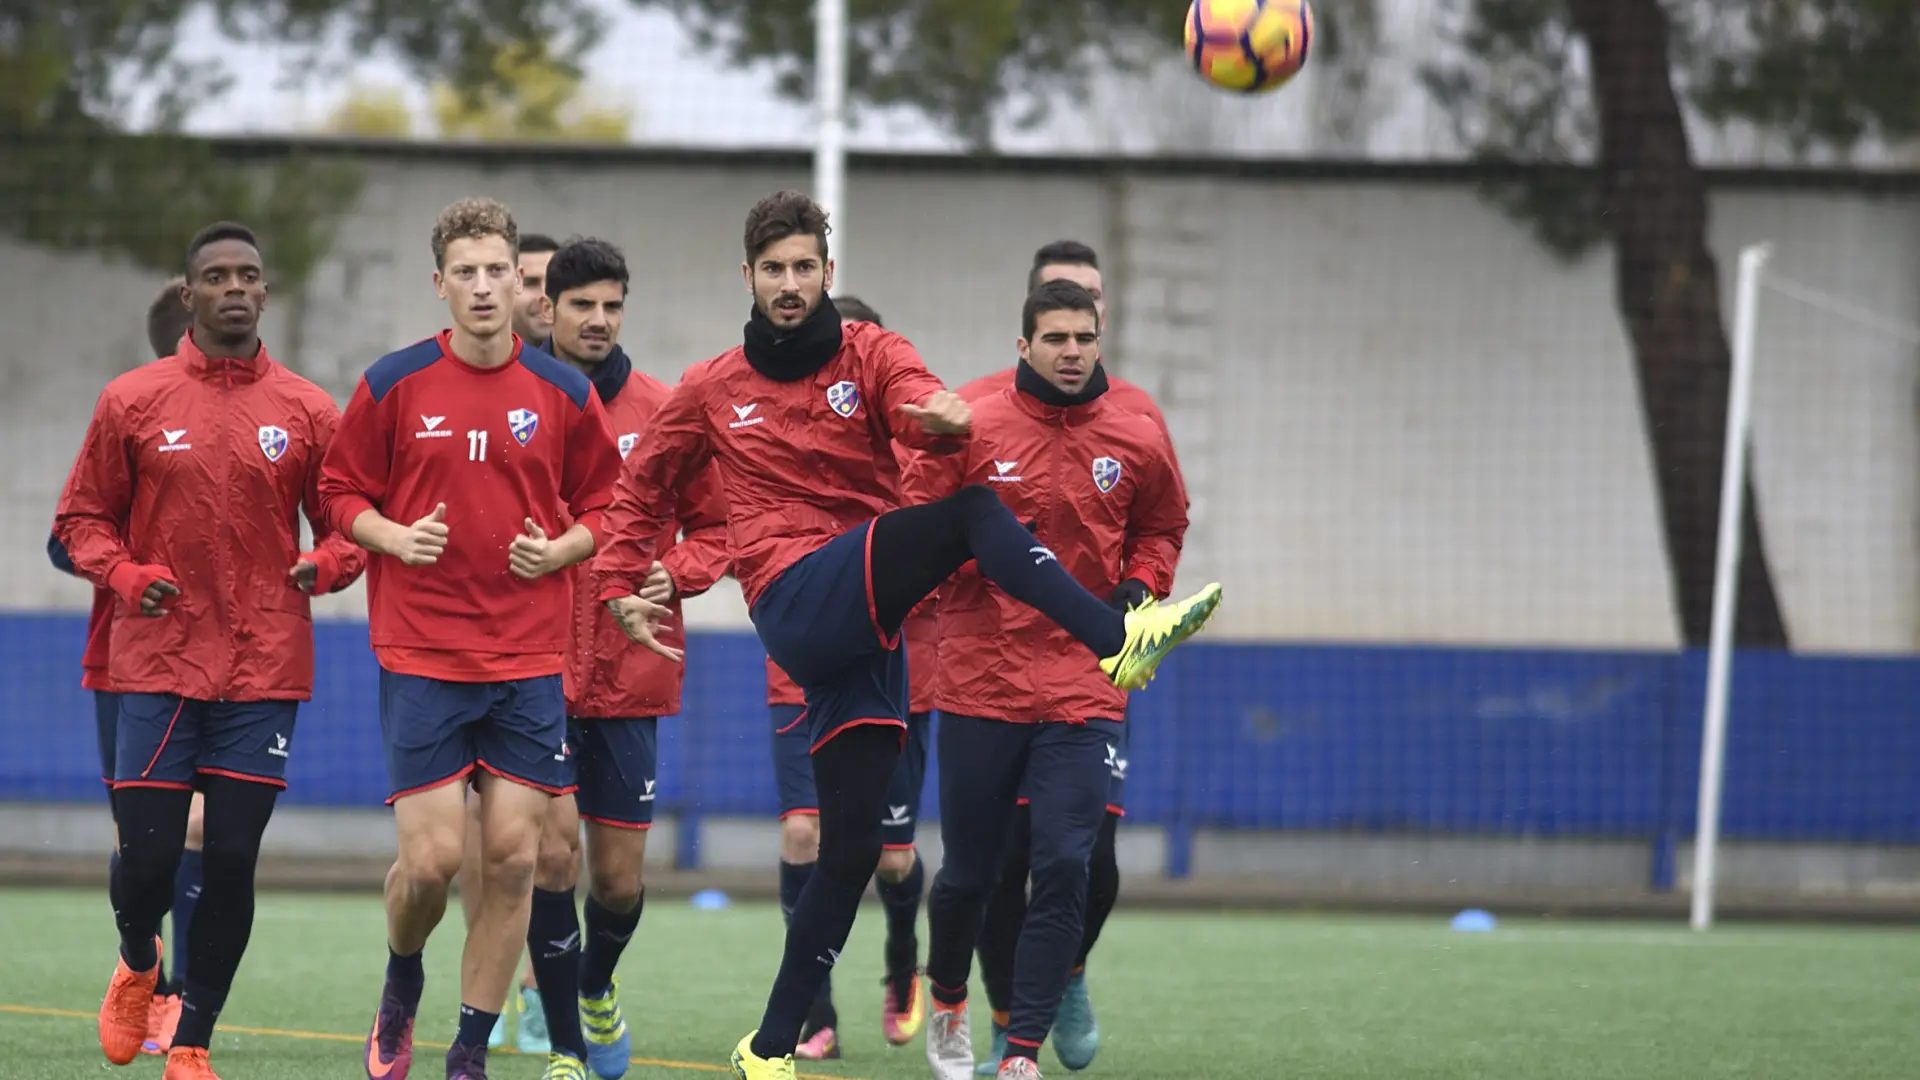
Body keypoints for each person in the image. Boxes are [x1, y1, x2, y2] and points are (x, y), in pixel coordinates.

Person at [588, 189, 1220, 1080]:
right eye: (774, 269)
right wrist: (618, 580)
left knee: (850, 853)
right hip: (798, 598)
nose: (790, 283)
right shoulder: (708, 388)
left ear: (828, 272)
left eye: (805, 267)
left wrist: (937, 411)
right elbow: (641, 489)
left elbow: (915, 389)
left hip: (870, 627)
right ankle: (1115, 637)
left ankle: (768, 1048)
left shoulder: (872, 354)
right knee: (971, 512)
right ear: (749, 278)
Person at [318, 197, 623, 1080]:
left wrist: (562, 548)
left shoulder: (564, 392)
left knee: (516, 860)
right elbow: (340, 494)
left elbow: (608, 505)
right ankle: (402, 977)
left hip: (529, 660)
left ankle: (466, 1052)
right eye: (468, 273)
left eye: (499, 271)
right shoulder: (393, 383)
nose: (486, 287)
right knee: (434, 862)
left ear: (517, 281)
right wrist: (391, 536)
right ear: (441, 283)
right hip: (422, 654)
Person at [55, 222, 368, 1080]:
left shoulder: (308, 410)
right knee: (149, 860)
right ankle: (138, 959)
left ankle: (192, 1041)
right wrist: (123, 576)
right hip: (155, 666)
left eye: (249, 276)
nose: (235, 287)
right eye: (216, 276)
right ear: (188, 296)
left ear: (266, 294)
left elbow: (352, 525)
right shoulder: (132, 400)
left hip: (264, 671)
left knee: (231, 858)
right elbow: (79, 521)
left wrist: (329, 563)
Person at [907, 279, 1186, 1080]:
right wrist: (937, 583)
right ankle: (952, 999)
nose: (1071, 352)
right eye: (1055, 338)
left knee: (1068, 862)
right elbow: (919, 517)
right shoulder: (974, 423)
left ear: (1100, 342)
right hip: (980, 679)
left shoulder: (1135, 432)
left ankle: (1021, 1050)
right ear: (1022, 346)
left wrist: (1142, 585)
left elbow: (1163, 524)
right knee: (970, 874)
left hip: (1084, 683)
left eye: (1084, 338)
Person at [510, 236, 730, 1080]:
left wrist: (671, 579)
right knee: (551, 857)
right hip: (532, 669)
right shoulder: (518, 403)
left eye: (613, 306)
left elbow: (719, 528)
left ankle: (597, 984)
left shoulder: (668, 412)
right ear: (551, 313)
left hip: (634, 672)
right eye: (582, 306)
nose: (599, 320)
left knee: (618, 883)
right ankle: (565, 1042)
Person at [759, 293, 934, 1061]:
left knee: (891, 858)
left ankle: (902, 959)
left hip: (894, 670)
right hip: (800, 671)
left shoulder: (911, 449)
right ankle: (815, 1014)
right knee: (804, 834)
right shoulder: (778, 440)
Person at [46, 278, 204, 1058]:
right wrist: (130, 567)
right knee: (146, 838)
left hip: (225, 664)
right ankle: (146, 969)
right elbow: (62, 537)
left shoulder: (252, 421)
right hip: (128, 663)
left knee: (206, 827)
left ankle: (182, 1003)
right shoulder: (129, 418)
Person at [459, 226, 562, 1055]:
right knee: (469, 849)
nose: (517, 293)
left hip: (574, 655)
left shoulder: (581, 399)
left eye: (527, 279)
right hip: (452, 656)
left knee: (548, 852)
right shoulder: (427, 385)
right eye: (505, 275)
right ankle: (488, 993)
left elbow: (626, 514)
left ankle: (553, 994)